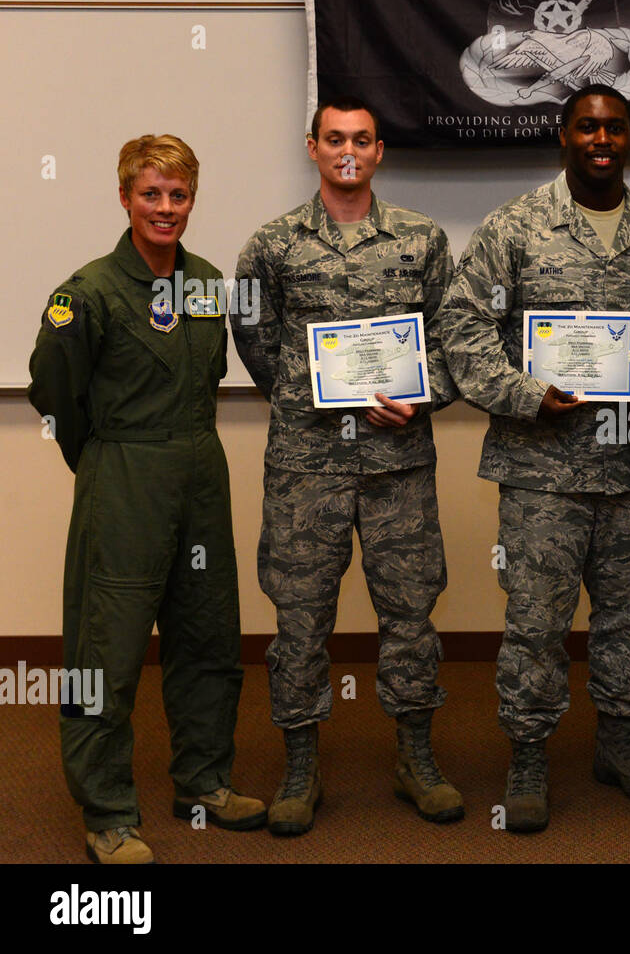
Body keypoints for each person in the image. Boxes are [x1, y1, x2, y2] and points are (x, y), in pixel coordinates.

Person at [439, 85, 630, 833]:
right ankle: (530, 752)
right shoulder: (514, 227)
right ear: (563, 135)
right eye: (586, 126)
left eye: (614, 127)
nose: (601, 139)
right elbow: (463, 329)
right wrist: (526, 394)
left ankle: (620, 740)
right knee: (536, 622)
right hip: (541, 472)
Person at [29, 134, 266, 863]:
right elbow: (55, 396)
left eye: (179, 194)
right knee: (108, 651)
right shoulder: (87, 291)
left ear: (192, 199)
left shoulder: (205, 282)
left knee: (208, 639)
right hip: (125, 479)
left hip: (200, 470)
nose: (166, 208)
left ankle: (203, 781)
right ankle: (106, 811)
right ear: (125, 197)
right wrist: (105, 464)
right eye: (151, 194)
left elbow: (207, 381)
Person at [233, 97, 461, 835]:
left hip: (398, 464)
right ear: (313, 147)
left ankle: (415, 758)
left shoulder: (423, 240)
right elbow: (256, 340)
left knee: (410, 616)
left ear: (380, 149)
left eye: (362, 138)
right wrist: (314, 396)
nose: (348, 150)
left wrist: (417, 394)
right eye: (335, 138)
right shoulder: (270, 245)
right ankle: (301, 766)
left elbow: (453, 340)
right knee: (299, 620)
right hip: (306, 466)